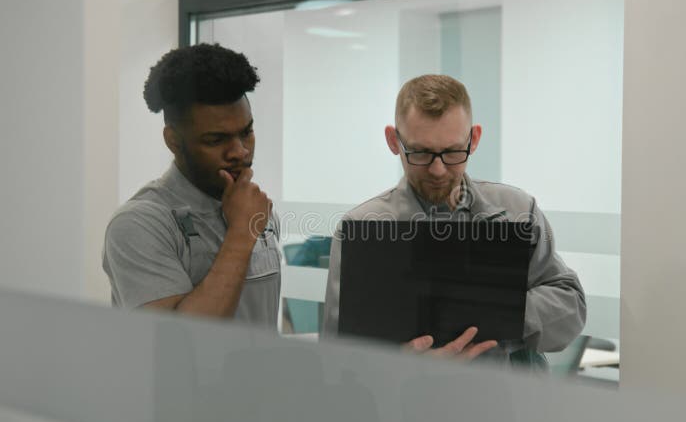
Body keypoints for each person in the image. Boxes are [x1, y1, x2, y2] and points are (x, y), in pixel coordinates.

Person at [322, 74, 586, 363]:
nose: (437, 170)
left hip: (506, 402)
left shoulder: (518, 211)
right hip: (407, 403)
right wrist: (400, 364)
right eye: (420, 153)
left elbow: (571, 307)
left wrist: (499, 311)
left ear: (473, 139)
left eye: (451, 152)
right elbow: (338, 355)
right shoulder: (363, 229)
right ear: (393, 141)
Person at [103, 43, 280, 327]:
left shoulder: (258, 210)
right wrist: (241, 233)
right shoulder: (138, 224)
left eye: (246, 133)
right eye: (216, 140)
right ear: (173, 141)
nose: (239, 151)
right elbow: (179, 343)